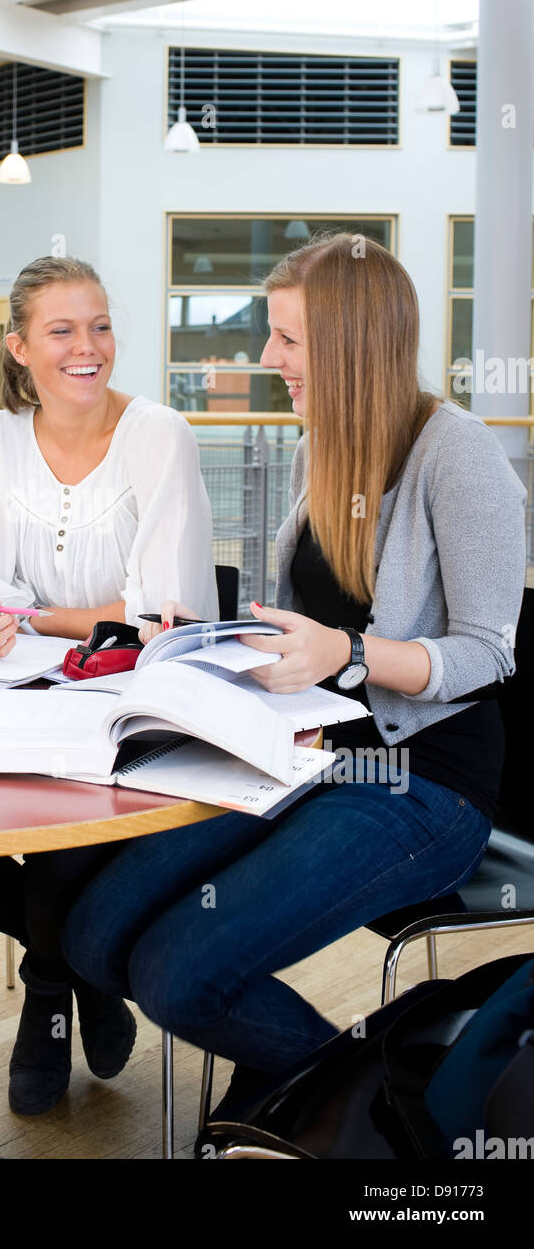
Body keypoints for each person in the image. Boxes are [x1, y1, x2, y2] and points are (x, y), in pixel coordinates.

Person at [62, 232, 527, 1117]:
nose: (266, 356)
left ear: (352, 343)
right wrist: (212, 641)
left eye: (287, 338)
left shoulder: (454, 453)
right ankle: (285, 1078)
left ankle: (368, 1113)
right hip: (305, 752)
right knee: (91, 934)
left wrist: (347, 656)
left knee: (180, 975)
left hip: (420, 783)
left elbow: (489, 653)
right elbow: (302, 620)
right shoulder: (330, 443)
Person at [0, 254, 218, 1115]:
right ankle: (86, 970)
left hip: (123, 701)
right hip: (11, 690)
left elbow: (164, 612)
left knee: (60, 839)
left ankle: (46, 990)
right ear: (19, 347)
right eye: (61, 330)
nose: (86, 347)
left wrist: (35, 616)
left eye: (99, 326)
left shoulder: (157, 432)